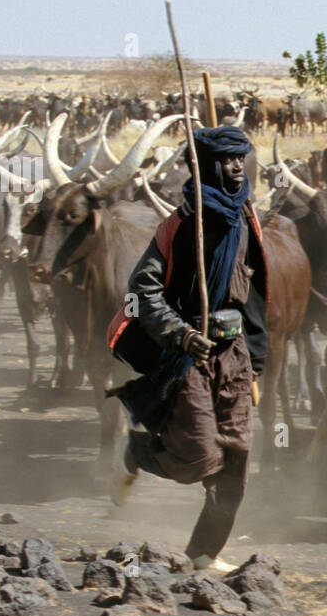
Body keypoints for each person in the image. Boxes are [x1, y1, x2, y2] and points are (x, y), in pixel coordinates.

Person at [107, 125, 268, 571]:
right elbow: (142, 292)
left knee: (234, 466)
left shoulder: (245, 220)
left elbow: (255, 296)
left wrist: (256, 361)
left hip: (233, 357)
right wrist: (179, 333)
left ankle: (201, 555)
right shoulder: (179, 227)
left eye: (242, 158)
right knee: (198, 457)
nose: (237, 167)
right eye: (227, 160)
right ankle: (135, 452)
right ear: (208, 167)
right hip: (188, 357)